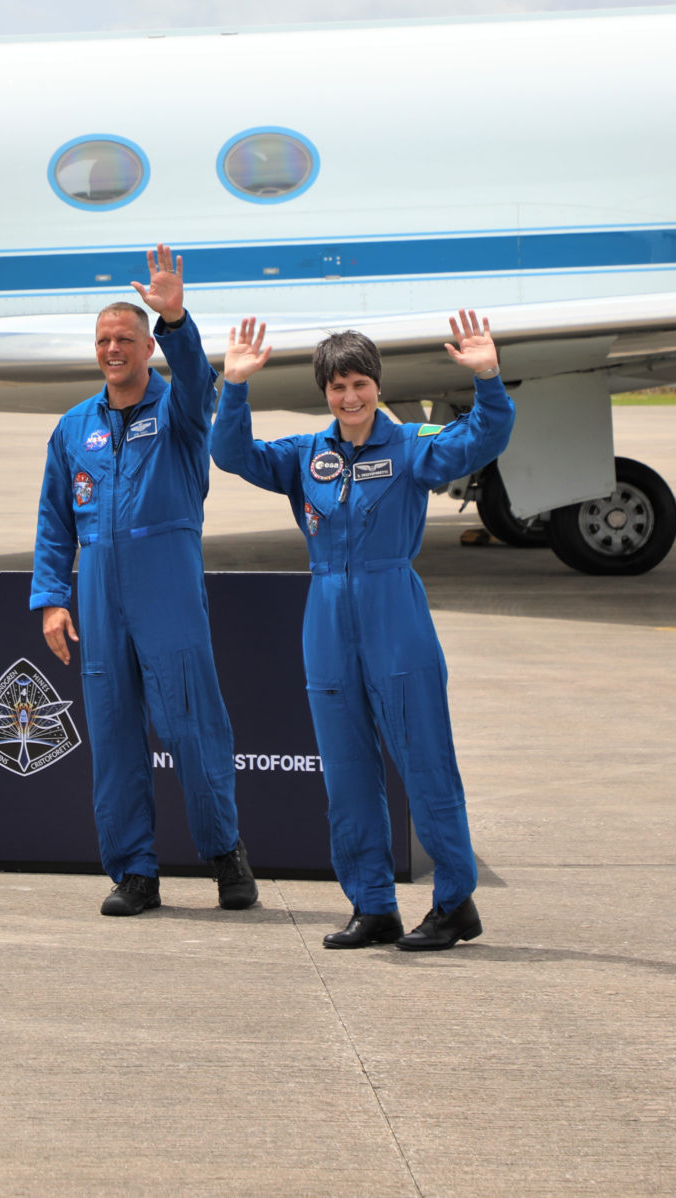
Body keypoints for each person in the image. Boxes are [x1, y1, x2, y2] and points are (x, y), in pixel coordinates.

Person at [212, 312, 512, 951]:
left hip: (394, 613)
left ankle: (455, 902)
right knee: (346, 773)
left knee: (425, 763)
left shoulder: (414, 446)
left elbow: (485, 437)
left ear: (378, 384)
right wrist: (233, 387)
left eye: (361, 384)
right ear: (325, 392)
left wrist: (488, 376)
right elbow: (231, 454)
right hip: (324, 615)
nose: (351, 397)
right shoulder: (305, 456)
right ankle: (372, 905)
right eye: (338, 386)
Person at [31, 245, 256, 918]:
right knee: (114, 735)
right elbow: (53, 522)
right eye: (103, 340)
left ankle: (226, 857)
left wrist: (176, 319)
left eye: (124, 338)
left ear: (145, 347)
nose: (112, 349)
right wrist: (51, 599)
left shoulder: (183, 411)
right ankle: (134, 871)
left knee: (192, 727)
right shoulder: (74, 428)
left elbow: (198, 379)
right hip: (100, 596)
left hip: (167, 589)